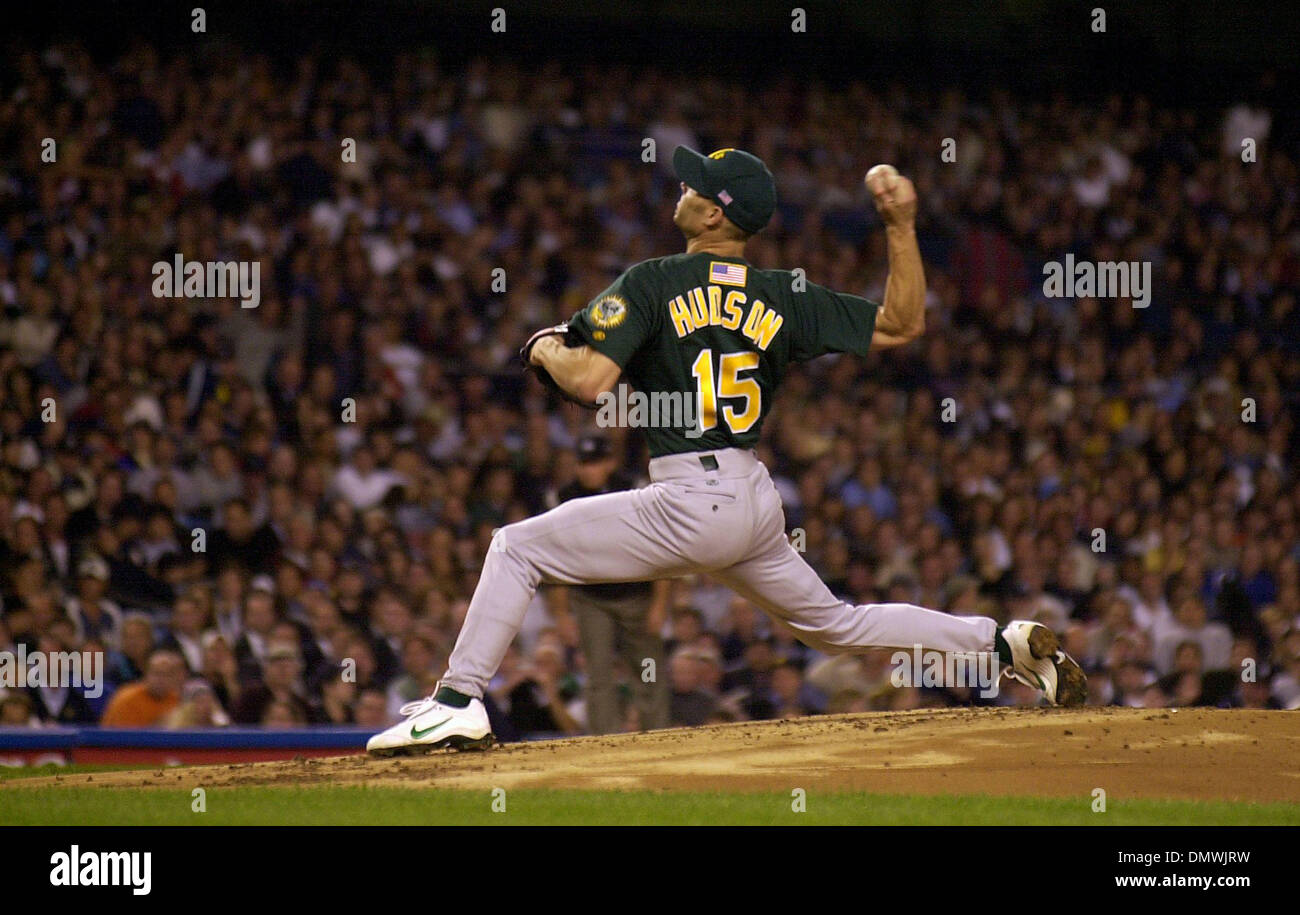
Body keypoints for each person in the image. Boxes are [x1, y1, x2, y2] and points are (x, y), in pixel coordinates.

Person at [367, 146, 1086, 755]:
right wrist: (900, 225)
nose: (680, 190)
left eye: (693, 187)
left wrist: (546, 347)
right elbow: (902, 324)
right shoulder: (783, 294)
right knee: (836, 623)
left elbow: (588, 382)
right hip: (753, 497)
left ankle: (459, 700)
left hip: (688, 496)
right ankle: (1005, 645)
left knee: (516, 547)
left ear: (715, 214)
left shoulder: (654, 279)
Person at [547, 434, 671, 735]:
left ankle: (658, 736)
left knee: (648, 670)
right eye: (583, 463)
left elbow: (662, 547)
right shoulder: (562, 497)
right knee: (597, 674)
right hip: (591, 596)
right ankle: (605, 742)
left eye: (595, 463)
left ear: (610, 463)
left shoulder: (636, 490)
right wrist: (562, 614)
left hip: (636, 593)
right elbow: (556, 555)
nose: (588, 470)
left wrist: (659, 604)